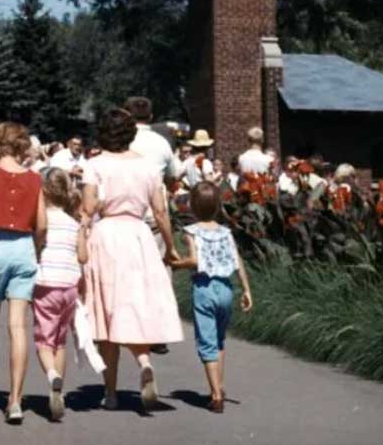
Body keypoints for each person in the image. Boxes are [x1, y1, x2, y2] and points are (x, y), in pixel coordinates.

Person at [82, 107, 183, 412]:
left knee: (107, 312)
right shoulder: (148, 167)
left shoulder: (94, 165)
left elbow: (88, 208)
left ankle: (110, 393)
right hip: (138, 235)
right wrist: (170, 246)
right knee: (133, 306)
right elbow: (161, 212)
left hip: (107, 235)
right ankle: (144, 360)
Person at [0, 122, 47, 425]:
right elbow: (42, 224)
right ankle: (15, 400)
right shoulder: (35, 177)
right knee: (18, 326)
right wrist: (37, 249)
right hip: (24, 248)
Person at [170, 182, 254, 413]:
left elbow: (195, 261)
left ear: (193, 208)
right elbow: (237, 261)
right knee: (219, 339)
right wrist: (246, 289)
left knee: (206, 342)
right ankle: (220, 384)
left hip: (204, 288)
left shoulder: (192, 232)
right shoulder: (225, 232)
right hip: (226, 289)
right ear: (218, 206)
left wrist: (176, 264)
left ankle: (216, 395)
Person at [126, 95, 182, 355]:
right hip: (153, 213)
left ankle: (127, 325)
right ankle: (158, 331)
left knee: (127, 270)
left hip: (125, 213)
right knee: (159, 271)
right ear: (149, 117)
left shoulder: (121, 140)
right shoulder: (161, 142)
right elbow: (174, 174)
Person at [33, 170, 89, 422]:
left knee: (44, 340)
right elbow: (83, 257)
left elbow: (36, 244)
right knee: (60, 341)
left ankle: (51, 375)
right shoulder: (73, 223)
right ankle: (59, 393)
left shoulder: (41, 219)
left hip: (47, 283)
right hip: (69, 285)